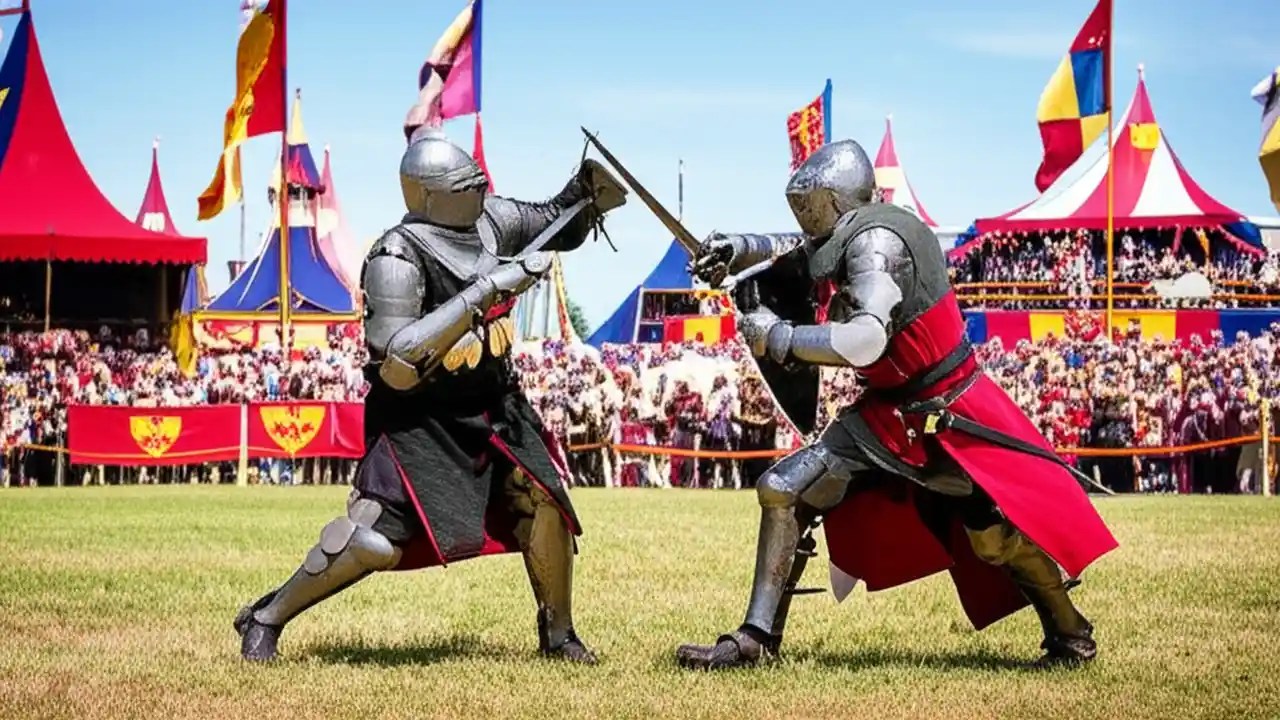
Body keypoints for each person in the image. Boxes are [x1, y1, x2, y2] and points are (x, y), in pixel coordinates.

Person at [675, 140, 1118, 670]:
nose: (806, 218)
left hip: (947, 412)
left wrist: (782, 337)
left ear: (837, 202)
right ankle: (755, 640)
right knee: (783, 487)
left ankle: (1070, 634)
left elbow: (865, 340)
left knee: (994, 541)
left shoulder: (877, 243)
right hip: (885, 413)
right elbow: (801, 249)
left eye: (813, 206)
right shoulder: (851, 232)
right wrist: (741, 246)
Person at [234, 130, 626, 663]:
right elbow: (396, 362)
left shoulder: (493, 220)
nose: (479, 189)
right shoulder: (395, 254)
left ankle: (559, 637)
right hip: (420, 418)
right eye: (466, 183)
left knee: (544, 500)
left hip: (495, 403)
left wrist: (584, 194)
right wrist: (487, 291)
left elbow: (551, 219)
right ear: (429, 195)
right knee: (371, 539)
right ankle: (266, 617)